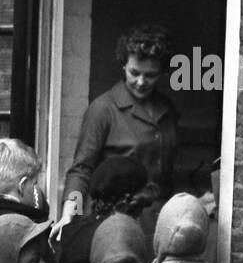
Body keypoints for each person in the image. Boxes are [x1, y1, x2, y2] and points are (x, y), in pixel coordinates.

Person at [61, 25, 178, 225]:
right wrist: (70, 213)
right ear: (123, 65)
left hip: (158, 221)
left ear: (162, 72)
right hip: (115, 221)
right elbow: (81, 169)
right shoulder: (103, 109)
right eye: (134, 72)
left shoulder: (167, 109)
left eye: (150, 75)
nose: (141, 82)